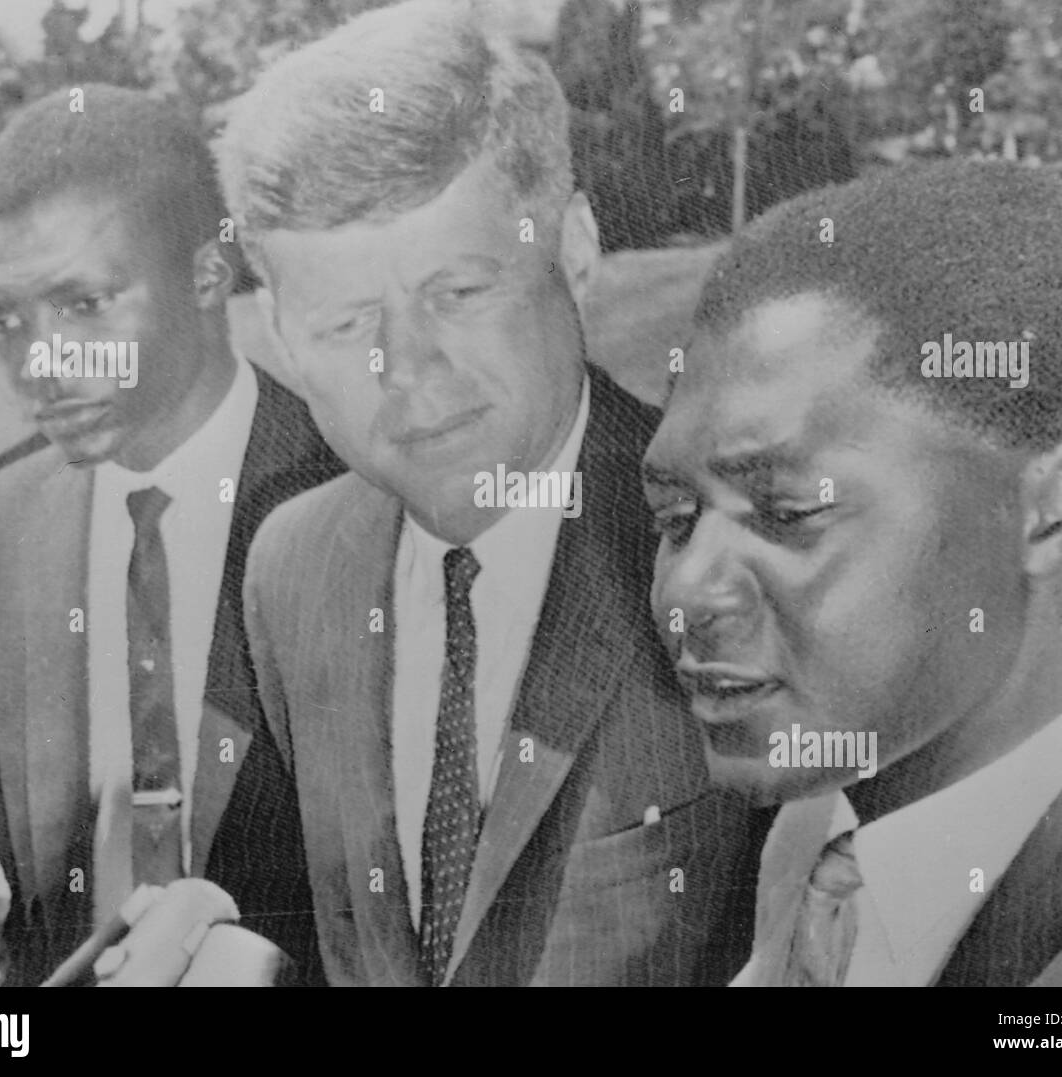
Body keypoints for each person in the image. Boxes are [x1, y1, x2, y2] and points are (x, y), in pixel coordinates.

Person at [210, 0, 762, 986]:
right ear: (280, 341)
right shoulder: (289, 567)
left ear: (576, 245)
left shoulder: (747, 551)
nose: (406, 369)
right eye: (343, 326)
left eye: (458, 293)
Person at [643, 159, 1062, 986]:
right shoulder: (819, 828)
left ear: (1059, 507)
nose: (685, 594)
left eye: (787, 513)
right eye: (676, 519)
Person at [0, 85, 345, 984]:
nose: (38, 365)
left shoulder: (358, 494)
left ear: (208, 275)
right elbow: (24, 900)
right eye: (3, 319)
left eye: (83, 304)